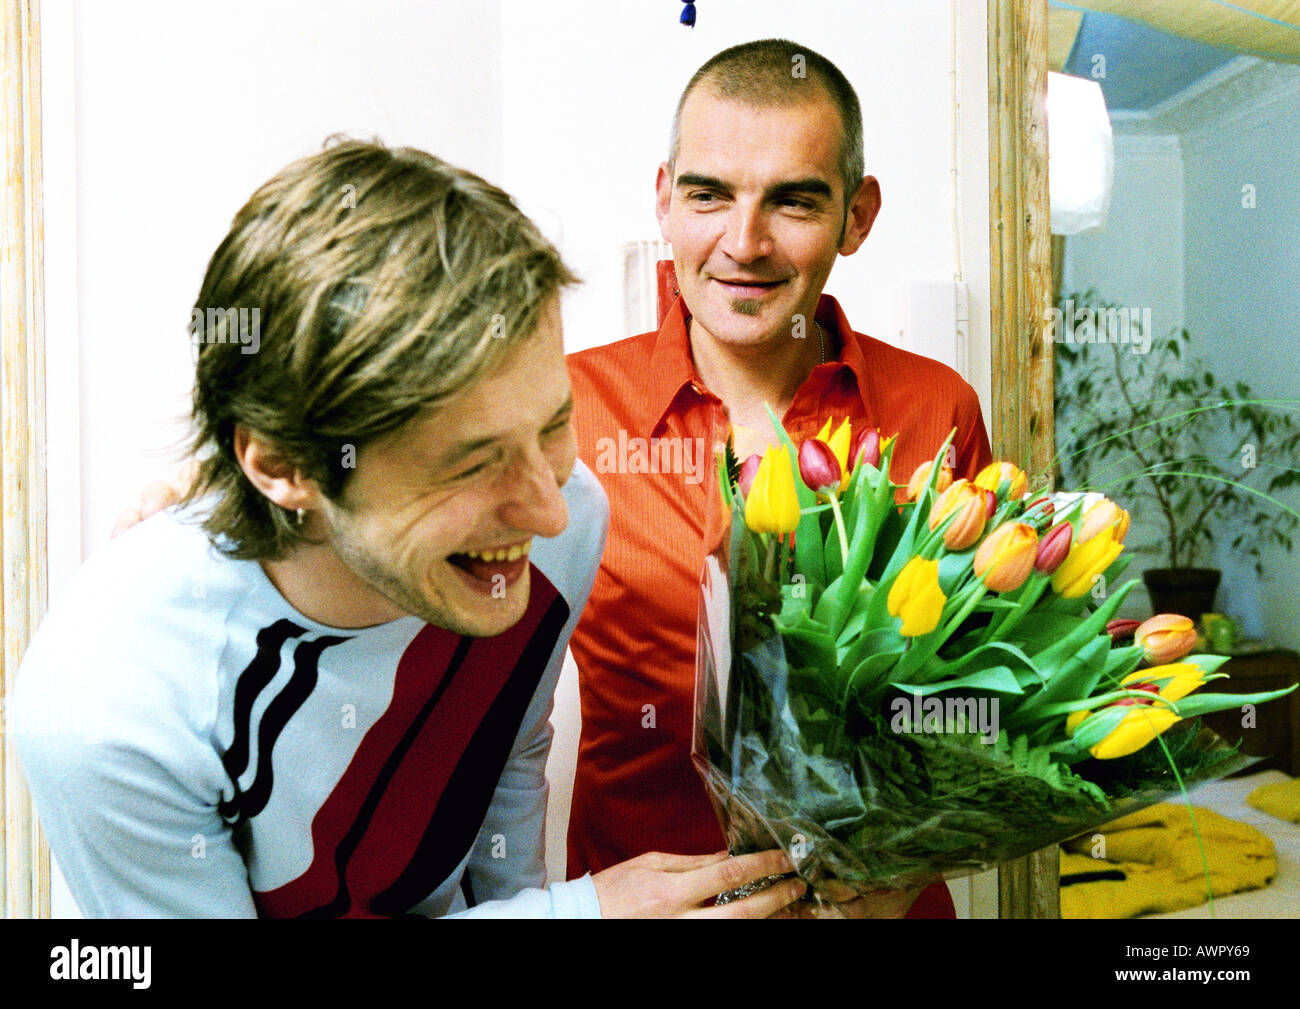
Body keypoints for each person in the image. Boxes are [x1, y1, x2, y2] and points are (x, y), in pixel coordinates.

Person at [13, 139, 804, 919]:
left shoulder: (559, 520)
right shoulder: (108, 715)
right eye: (470, 464)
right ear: (285, 466)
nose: (548, 510)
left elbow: (503, 761)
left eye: (555, 424)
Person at [564, 39, 993, 918]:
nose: (743, 243)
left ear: (857, 216)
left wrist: (906, 867)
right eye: (708, 194)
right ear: (664, 199)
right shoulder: (565, 408)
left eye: (793, 201)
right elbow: (468, 693)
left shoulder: (936, 406)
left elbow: (985, 702)